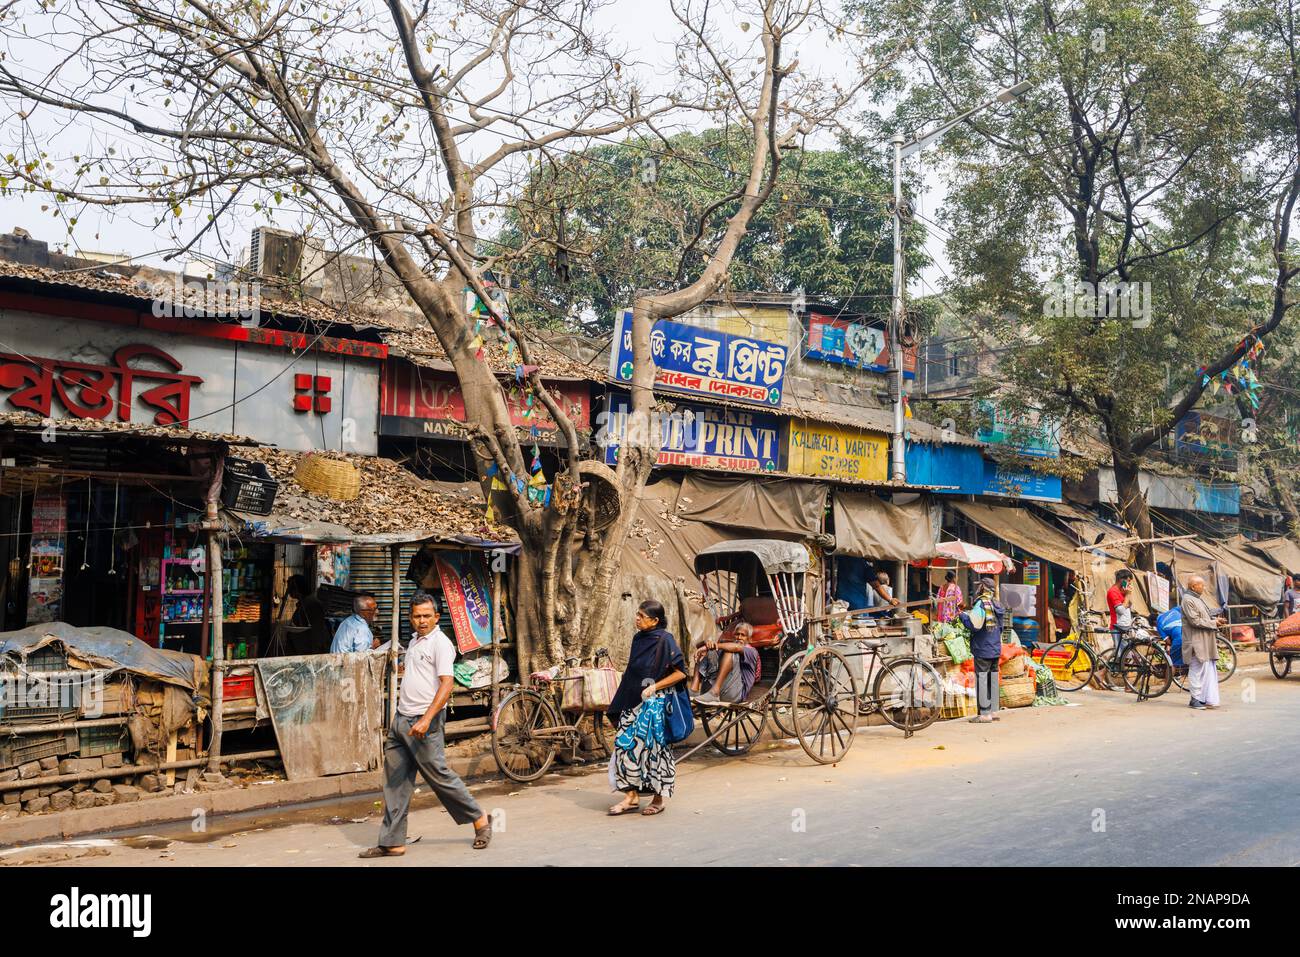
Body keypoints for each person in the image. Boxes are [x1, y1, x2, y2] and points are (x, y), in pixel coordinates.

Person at [359, 593, 491, 858]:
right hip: (402, 720)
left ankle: (480, 819)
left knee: (439, 776)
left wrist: (427, 718)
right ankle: (393, 841)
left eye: (426, 616)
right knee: (394, 783)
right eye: (417, 616)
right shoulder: (415, 642)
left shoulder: (441, 643)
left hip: (424, 721)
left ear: (436, 618)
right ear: (411, 618)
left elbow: (447, 683)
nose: (421, 620)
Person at [606, 600, 687, 817]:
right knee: (624, 747)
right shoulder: (638, 639)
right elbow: (634, 671)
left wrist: (655, 687)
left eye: (642, 616)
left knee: (655, 752)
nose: (637, 619)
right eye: (637, 615)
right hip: (631, 700)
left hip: (654, 705)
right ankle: (631, 797)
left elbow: (680, 673)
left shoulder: (665, 640)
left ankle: (658, 799)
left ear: (655, 620)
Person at [960, 578, 1005, 723]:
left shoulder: (981, 603)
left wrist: (962, 616)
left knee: (983, 679)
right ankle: (993, 711)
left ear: (983, 588)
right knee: (992, 679)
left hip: (983, 647)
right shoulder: (997, 604)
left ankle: (985, 714)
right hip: (995, 647)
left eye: (979, 586)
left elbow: (974, 625)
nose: (977, 589)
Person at [1180, 575, 1226, 711]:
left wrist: (1215, 620)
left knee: (1205, 670)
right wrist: (1213, 622)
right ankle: (1195, 699)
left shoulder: (1197, 599)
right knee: (1196, 669)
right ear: (1193, 586)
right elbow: (1195, 621)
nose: (1204, 587)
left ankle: (1203, 698)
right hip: (1195, 641)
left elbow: (1203, 617)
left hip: (1204, 640)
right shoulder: (1188, 600)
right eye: (1201, 585)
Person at [690, 621, 759, 705]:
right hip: (715, 688)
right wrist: (706, 643)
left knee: (729, 651)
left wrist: (714, 645)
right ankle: (694, 690)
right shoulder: (728, 645)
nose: (739, 637)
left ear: (749, 639)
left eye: (743, 635)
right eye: (737, 634)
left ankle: (714, 692)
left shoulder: (752, 651)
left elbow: (737, 647)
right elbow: (699, 646)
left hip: (735, 694)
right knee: (709, 651)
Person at [287, 574, 332, 654]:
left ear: (297, 588)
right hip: (304, 648)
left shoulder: (311, 604)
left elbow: (318, 631)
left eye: (290, 588)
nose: (288, 591)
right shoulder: (303, 603)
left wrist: (315, 653)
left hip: (311, 650)